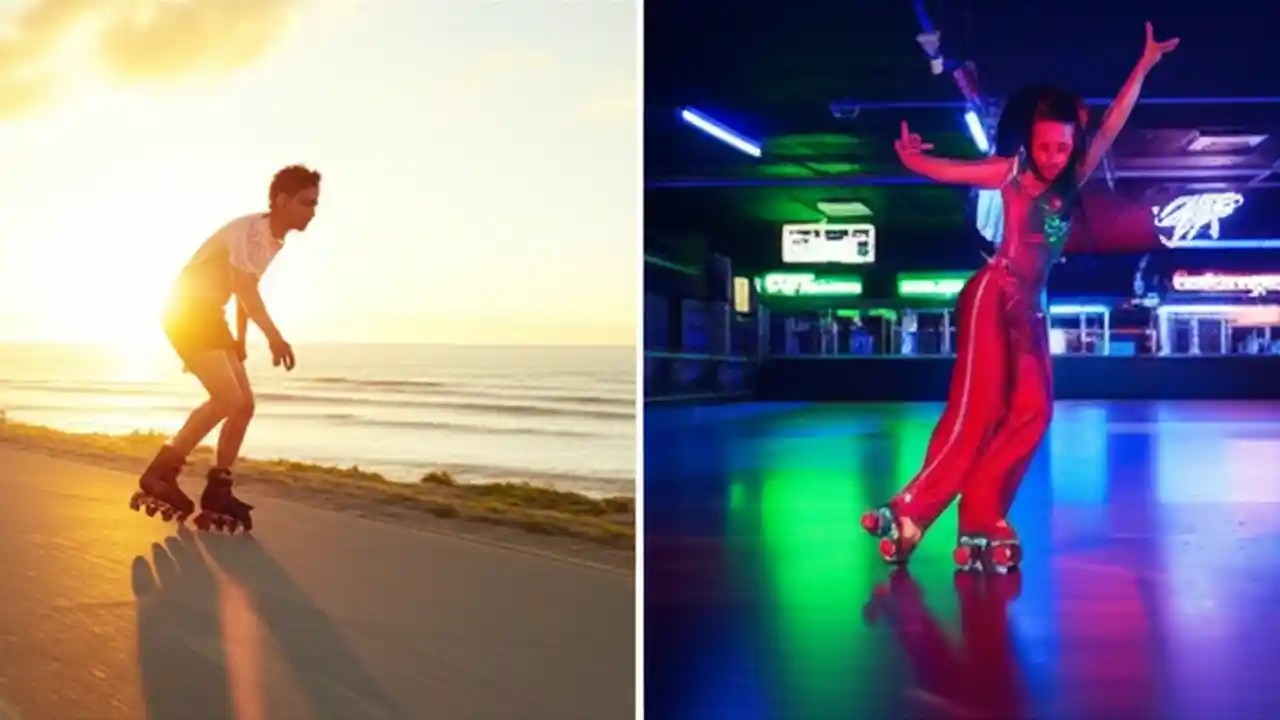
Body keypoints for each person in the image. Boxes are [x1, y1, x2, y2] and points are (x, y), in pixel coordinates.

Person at [861, 23, 1179, 571]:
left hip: (1031, 306)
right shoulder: (1011, 174)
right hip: (993, 293)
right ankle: (908, 508)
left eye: (1062, 147)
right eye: (1046, 146)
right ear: (1029, 144)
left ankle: (982, 513)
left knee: (1034, 411)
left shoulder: (1070, 177)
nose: (1055, 156)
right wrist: (914, 162)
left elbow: (1113, 122)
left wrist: (1144, 66)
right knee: (977, 409)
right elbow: (952, 170)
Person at [129, 165, 320, 532]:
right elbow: (247, 291)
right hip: (187, 312)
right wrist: (274, 337)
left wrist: (241, 341)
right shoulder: (249, 232)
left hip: (209, 316)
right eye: (306, 202)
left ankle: (218, 488)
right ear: (282, 201)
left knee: (244, 404)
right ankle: (160, 473)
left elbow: (240, 289)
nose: (312, 211)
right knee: (227, 398)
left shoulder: (272, 241)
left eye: (315, 204)